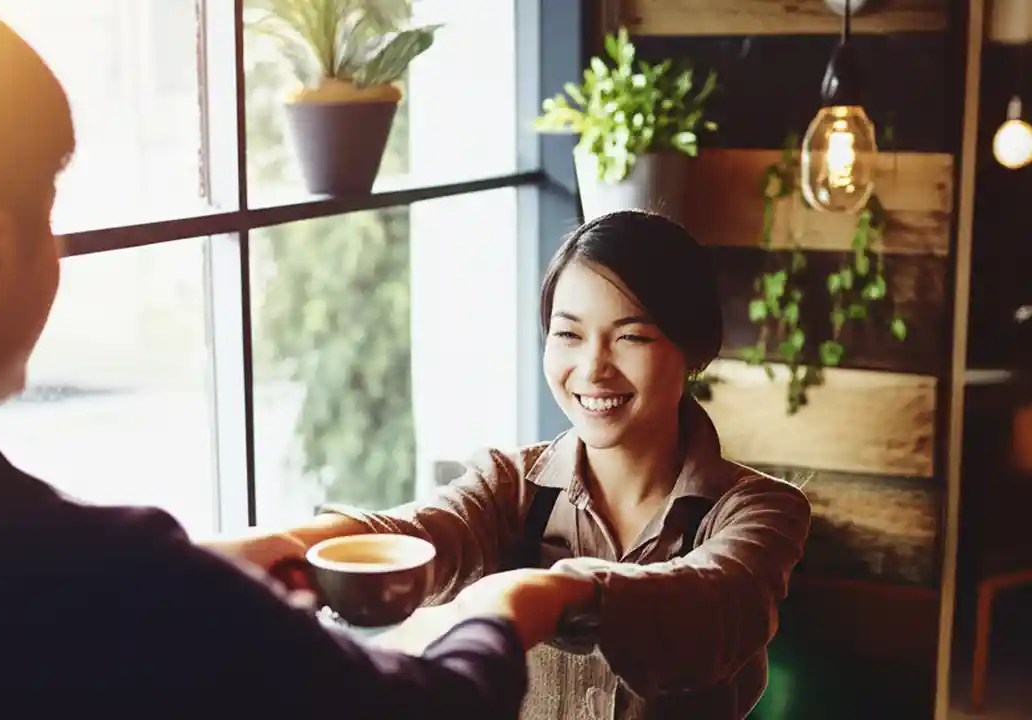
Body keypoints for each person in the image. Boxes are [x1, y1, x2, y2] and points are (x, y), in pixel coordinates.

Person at [0, 1, 594, 716]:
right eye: (49, 212)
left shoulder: (111, 583)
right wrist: (501, 608)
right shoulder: (118, 584)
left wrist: (201, 575)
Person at [235, 211, 814, 718]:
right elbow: (421, 532)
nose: (593, 368)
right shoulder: (510, 485)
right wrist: (287, 545)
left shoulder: (759, 509)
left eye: (631, 337)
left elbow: (714, 611)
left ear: (696, 351)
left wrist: (557, 594)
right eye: (568, 335)